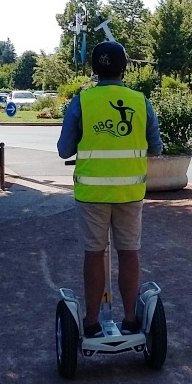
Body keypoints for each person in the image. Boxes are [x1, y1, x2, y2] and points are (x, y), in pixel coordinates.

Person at [57, 41, 163, 339]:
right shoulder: (140, 101)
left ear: (94, 69)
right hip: (130, 192)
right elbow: (155, 147)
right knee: (129, 252)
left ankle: (91, 322)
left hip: (92, 193)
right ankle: (130, 319)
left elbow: (64, 149)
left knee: (94, 253)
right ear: (123, 69)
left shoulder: (82, 101)